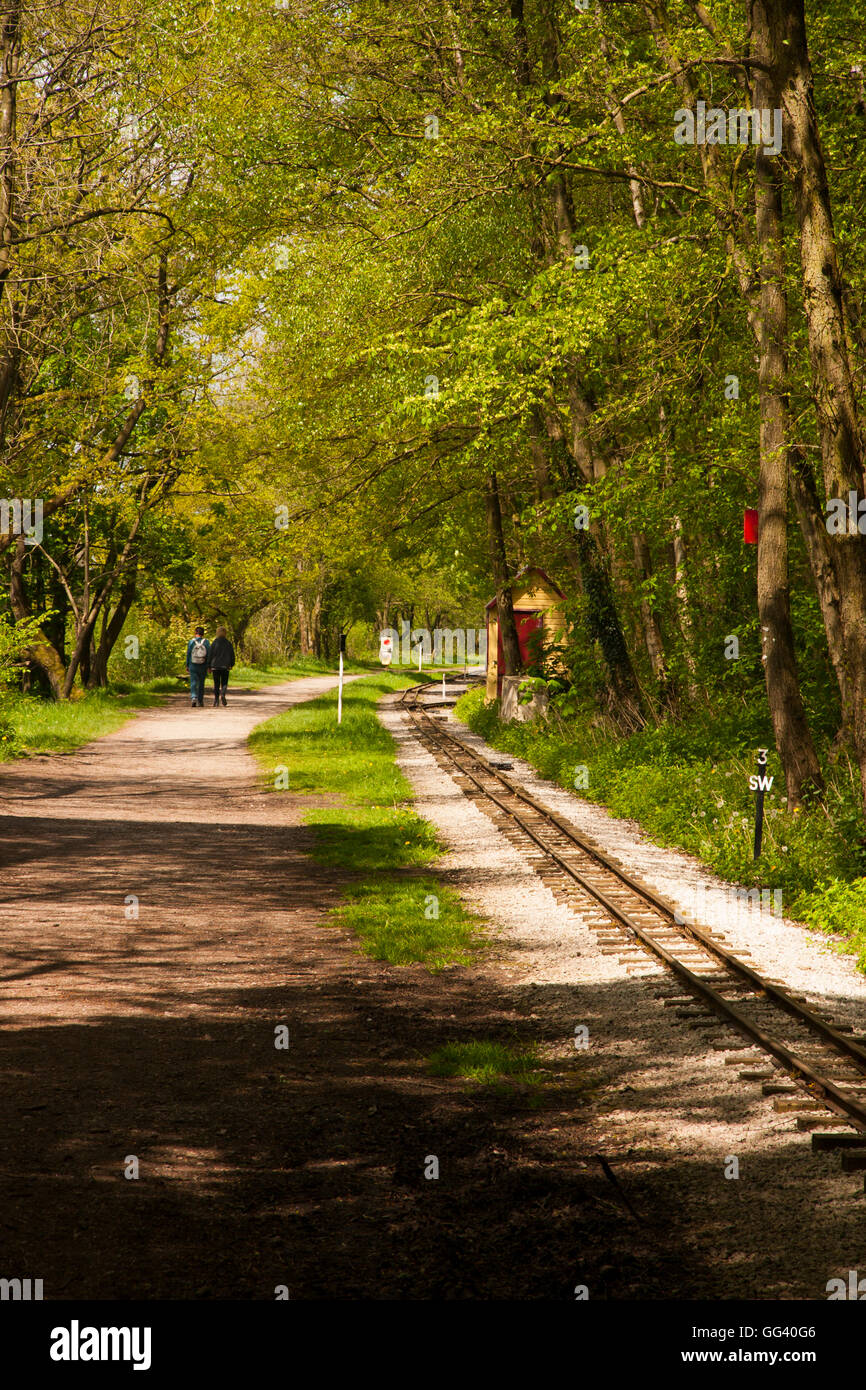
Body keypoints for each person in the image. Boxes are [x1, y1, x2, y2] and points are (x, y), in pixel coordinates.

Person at [207, 625, 236, 707]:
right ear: (225, 633)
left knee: (216, 684)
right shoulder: (228, 643)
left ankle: (216, 700)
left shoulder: (214, 643)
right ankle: (222, 694)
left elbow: (210, 655)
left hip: (215, 666)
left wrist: (209, 666)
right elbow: (232, 655)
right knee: (224, 683)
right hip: (225, 666)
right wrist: (231, 664)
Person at [186, 625, 210, 707]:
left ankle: (193, 697)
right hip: (203, 665)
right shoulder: (206, 642)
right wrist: (208, 666)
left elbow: (188, 654)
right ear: (203, 633)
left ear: (195, 632)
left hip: (193, 664)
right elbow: (208, 655)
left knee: (193, 682)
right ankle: (200, 700)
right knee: (201, 683)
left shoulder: (191, 642)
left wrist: (187, 665)